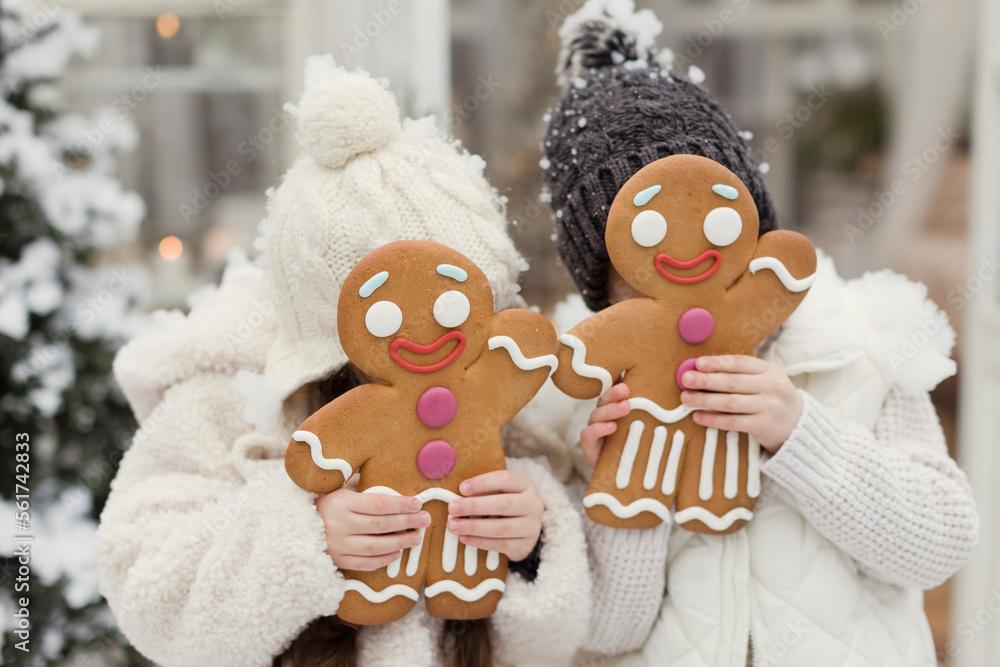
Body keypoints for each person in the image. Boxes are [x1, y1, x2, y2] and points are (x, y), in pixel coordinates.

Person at [97, 56, 590, 667]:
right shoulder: (230, 397)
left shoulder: (500, 392)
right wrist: (301, 535)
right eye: (408, 312)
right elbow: (146, 584)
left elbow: (565, 642)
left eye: (466, 308)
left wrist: (531, 547)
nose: (442, 338)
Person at [537, 2, 979, 665]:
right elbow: (608, 629)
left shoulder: (859, 351)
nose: (685, 273)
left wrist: (802, 431)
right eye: (645, 261)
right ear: (605, 285)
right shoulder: (590, 400)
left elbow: (937, 546)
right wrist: (624, 487)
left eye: (710, 230)